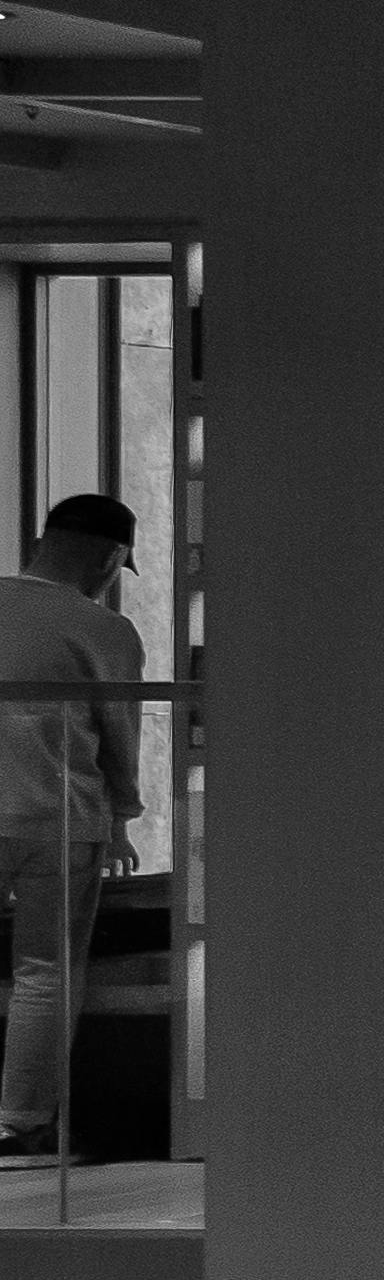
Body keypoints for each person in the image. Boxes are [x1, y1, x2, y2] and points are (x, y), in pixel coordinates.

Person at [0, 496, 143, 1161]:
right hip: (58, 817)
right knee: (45, 970)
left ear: (39, 540)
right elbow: (119, 736)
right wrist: (123, 818)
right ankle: (22, 1122)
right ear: (111, 559)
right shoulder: (104, 629)